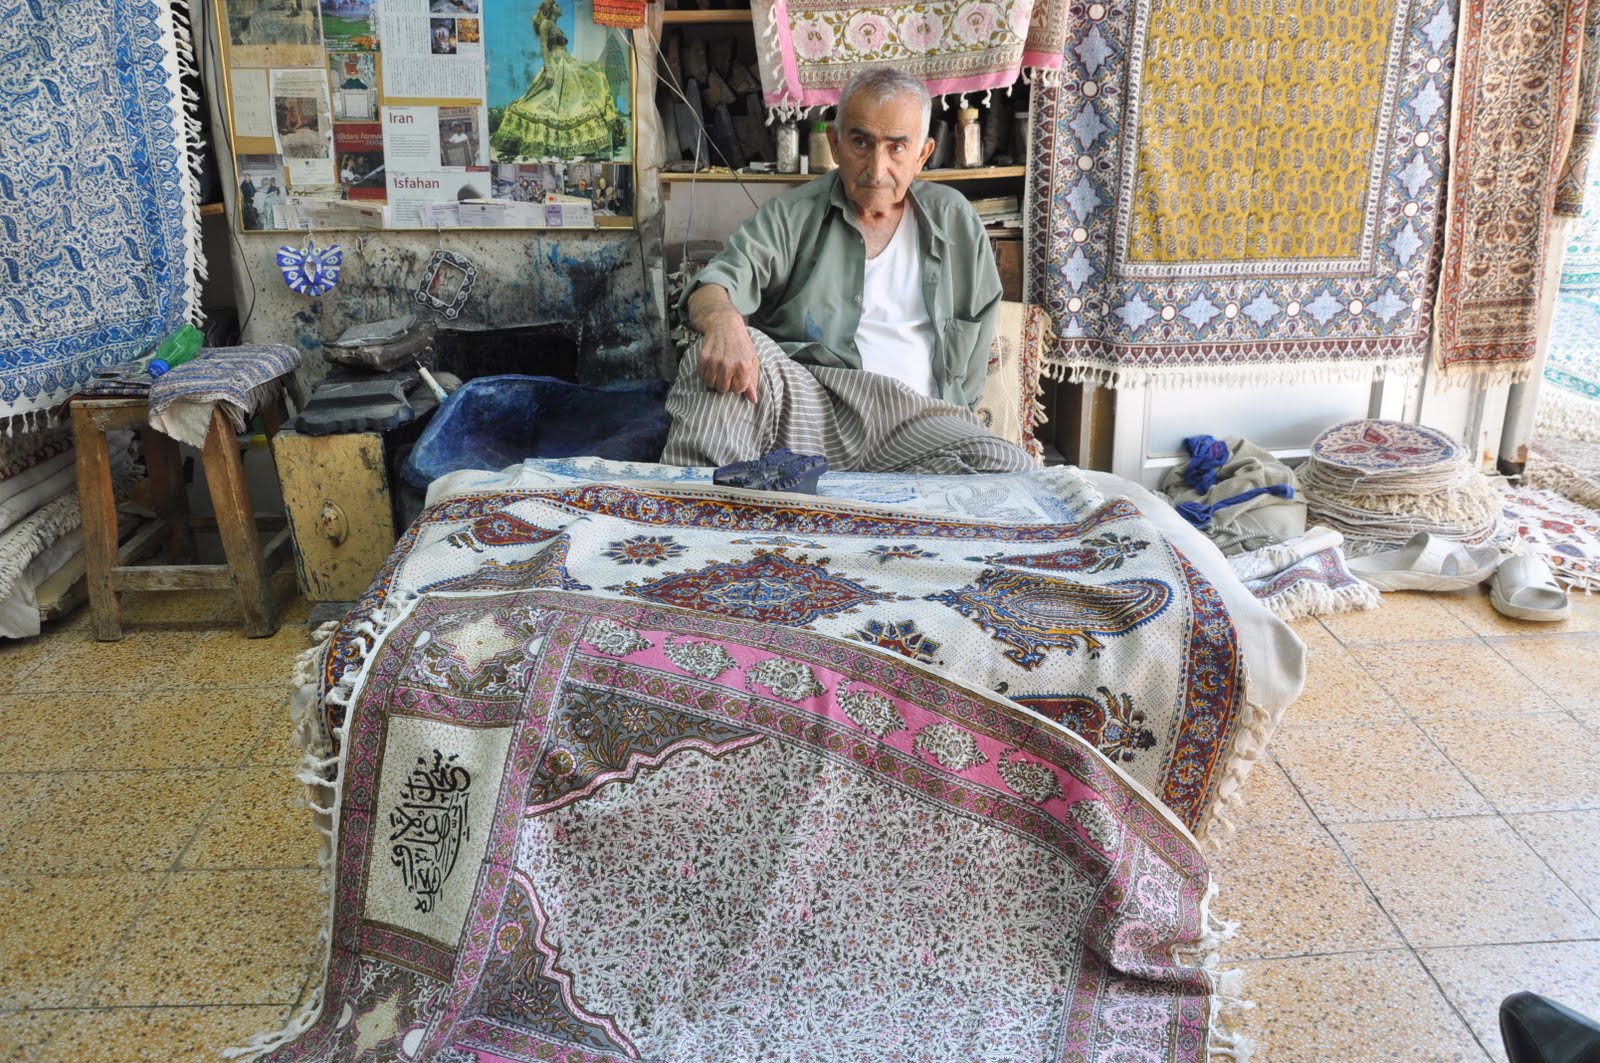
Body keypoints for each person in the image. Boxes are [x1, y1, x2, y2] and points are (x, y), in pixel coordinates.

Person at [663, 69, 1029, 474]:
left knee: (1008, 464)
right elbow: (716, 283)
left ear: (923, 154)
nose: (876, 169)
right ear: (835, 144)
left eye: (896, 148)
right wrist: (723, 322)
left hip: (917, 421)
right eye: (861, 143)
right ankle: (686, 512)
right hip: (816, 409)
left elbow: (972, 359)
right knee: (722, 351)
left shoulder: (955, 219)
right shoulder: (793, 215)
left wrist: (951, 421)